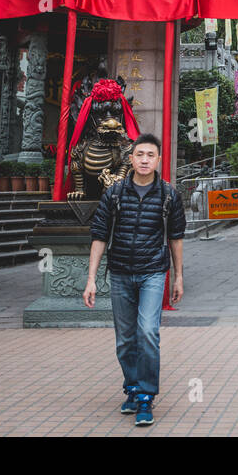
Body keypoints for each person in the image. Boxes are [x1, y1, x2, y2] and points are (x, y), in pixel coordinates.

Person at [83, 133, 185, 427]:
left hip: (153, 272)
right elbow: (99, 236)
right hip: (120, 274)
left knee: (148, 332)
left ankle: (145, 396)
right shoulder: (114, 193)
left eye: (150, 155)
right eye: (139, 154)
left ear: (158, 160)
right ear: (131, 159)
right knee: (125, 340)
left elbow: (175, 238)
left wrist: (178, 277)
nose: (144, 160)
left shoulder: (168, 195)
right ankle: (132, 386)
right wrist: (91, 279)